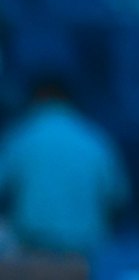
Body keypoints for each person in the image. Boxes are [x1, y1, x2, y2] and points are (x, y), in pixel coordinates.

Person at [0, 78, 127, 255]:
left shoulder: (21, 135)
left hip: (32, 247)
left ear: (34, 100)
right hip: (86, 251)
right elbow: (118, 198)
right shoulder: (95, 138)